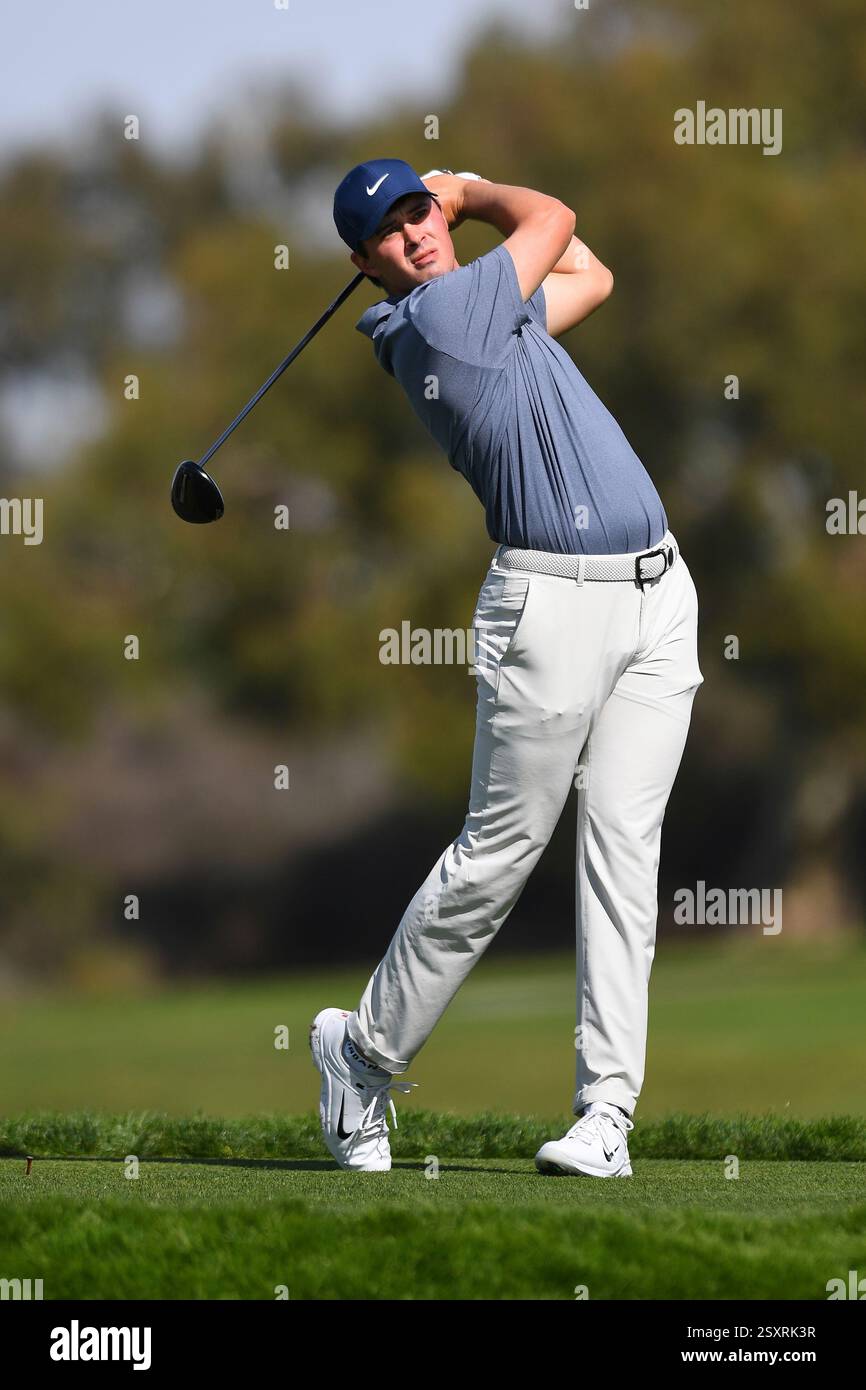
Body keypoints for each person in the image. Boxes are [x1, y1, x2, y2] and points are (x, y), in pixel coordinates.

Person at [309, 157, 704, 1177]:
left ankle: (604, 1116)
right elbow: (556, 216)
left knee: (623, 851)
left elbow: (592, 274)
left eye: (416, 211)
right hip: (548, 609)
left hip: (657, 597)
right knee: (497, 855)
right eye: (391, 231)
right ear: (366, 264)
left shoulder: (491, 312)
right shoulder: (442, 322)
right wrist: (472, 191)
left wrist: (462, 212)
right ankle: (360, 1055)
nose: (415, 231)